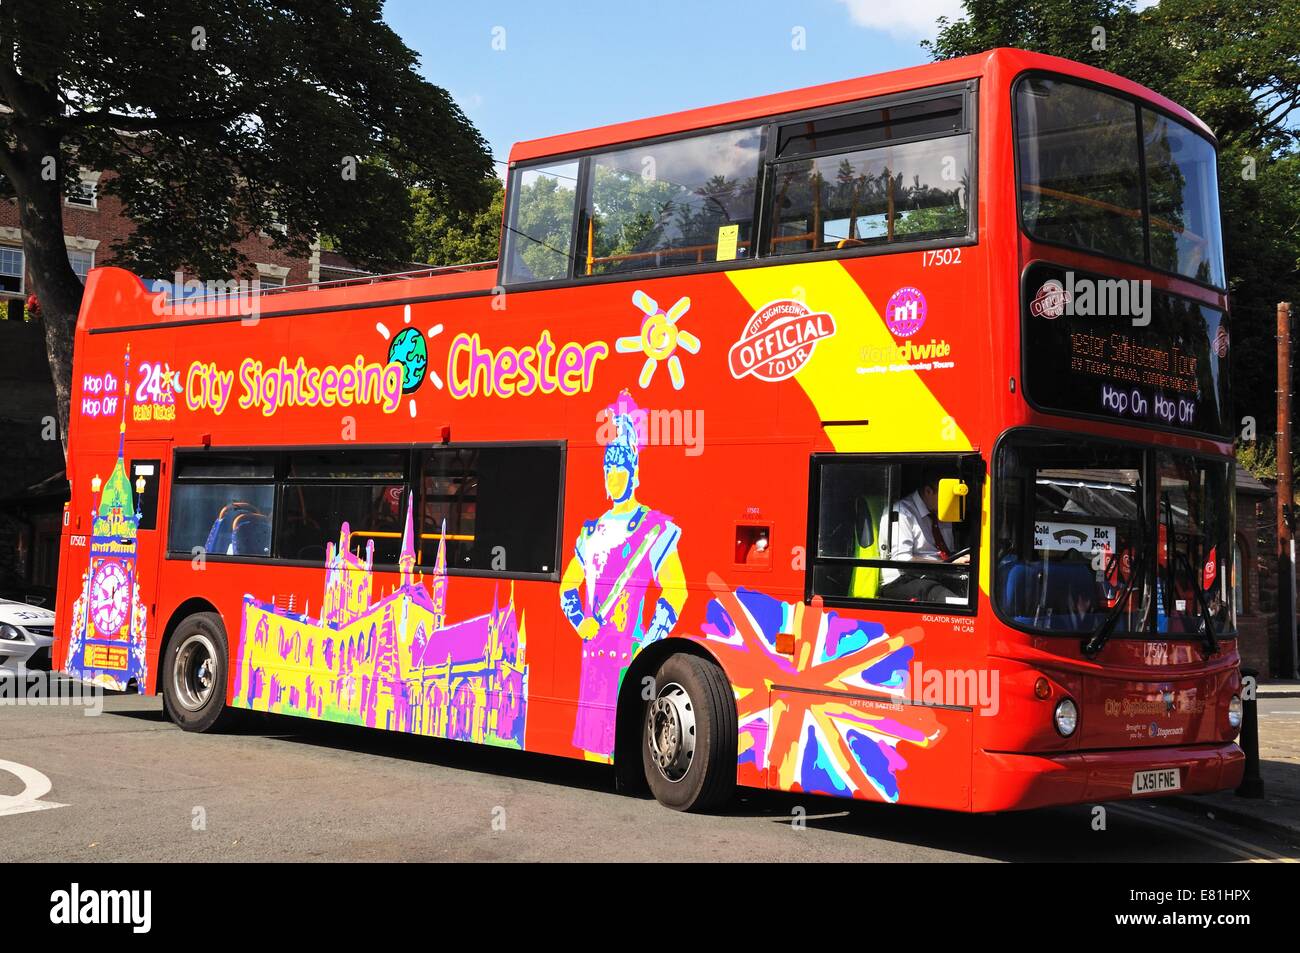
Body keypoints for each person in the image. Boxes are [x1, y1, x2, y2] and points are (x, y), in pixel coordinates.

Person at [559, 391, 687, 761]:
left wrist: (650, 642)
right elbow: (569, 584)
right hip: (592, 654)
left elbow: (676, 589)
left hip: (627, 654)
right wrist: (579, 619)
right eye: (606, 472)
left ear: (633, 473)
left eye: (618, 471)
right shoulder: (591, 531)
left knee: (618, 741)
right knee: (592, 749)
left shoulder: (653, 528)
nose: (611, 480)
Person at [878, 469, 968, 603]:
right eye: (946, 497)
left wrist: (961, 558)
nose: (951, 502)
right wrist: (945, 564)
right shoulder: (902, 512)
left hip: (939, 573)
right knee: (951, 601)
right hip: (904, 579)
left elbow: (947, 551)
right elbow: (902, 561)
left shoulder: (943, 511)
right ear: (928, 491)